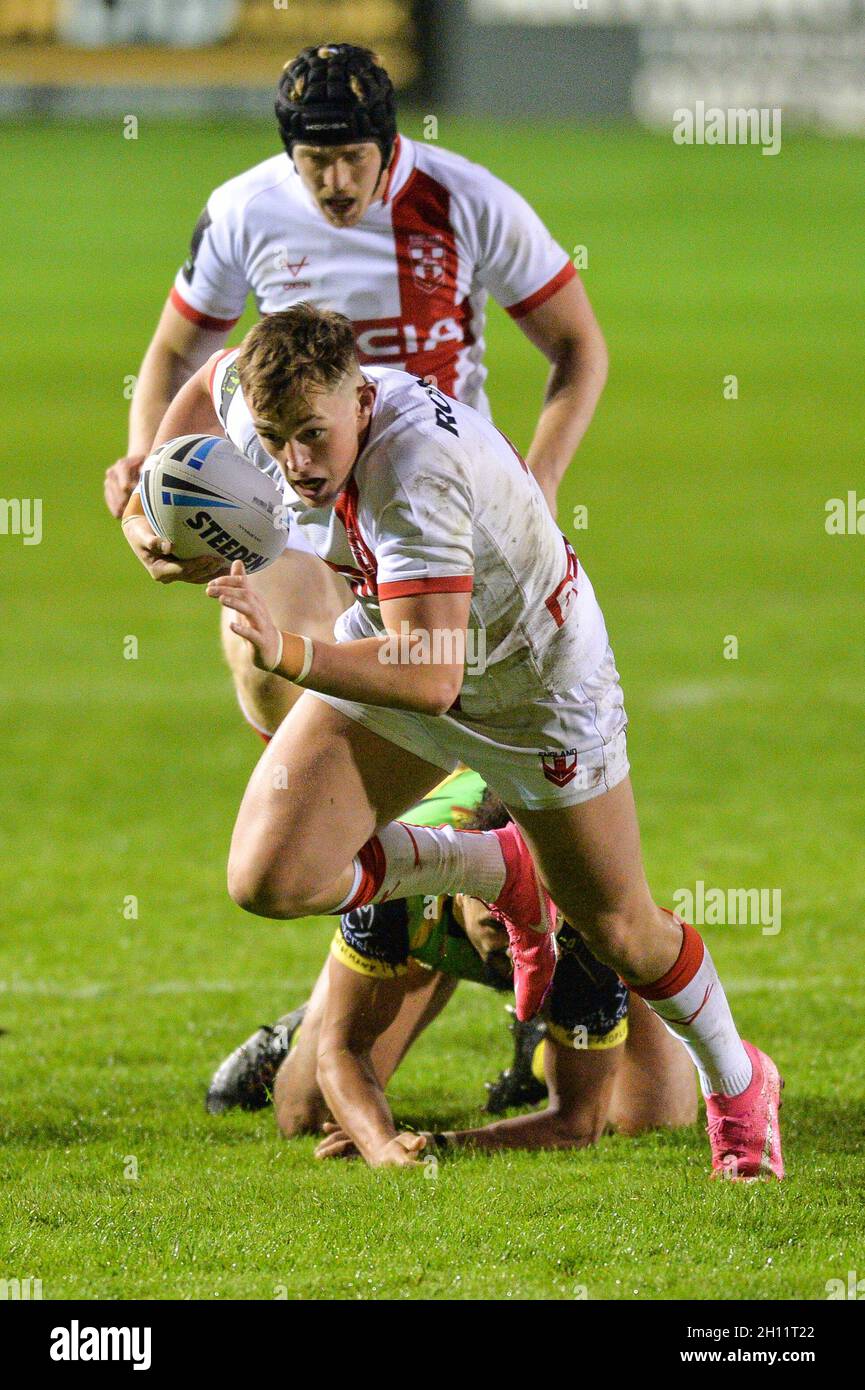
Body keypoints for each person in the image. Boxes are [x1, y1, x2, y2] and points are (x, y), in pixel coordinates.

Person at [124, 302, 784, 1179]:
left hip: (532, 683)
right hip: (408, 633)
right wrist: (154, 504)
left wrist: (285, 649)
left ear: (361, 398)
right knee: (271, 877)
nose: (295, 464)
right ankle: (490, 866)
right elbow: (209, 384)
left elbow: (430, 679)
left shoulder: (415, 473)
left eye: (314, 436)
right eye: (278, 438)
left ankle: (740, 1087)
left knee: (621, 930)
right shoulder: (269, 406)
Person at [109, 41, 608, 748]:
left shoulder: (467, 199)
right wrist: (146, 468)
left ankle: (399, 843)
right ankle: (331, 837)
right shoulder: (244, 210)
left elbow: (578, 344)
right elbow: (178, 352)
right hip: (294, 496)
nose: (336, 180)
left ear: (389, 142)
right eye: (315, 161)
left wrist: (543, 475)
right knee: (266, 659)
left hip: (430, 500)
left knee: (442, 708)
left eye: (353, 157)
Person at [206, 772, 697, 1165]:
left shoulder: (590, 920)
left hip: (571, 944)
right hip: (421, 940)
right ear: (460, 886)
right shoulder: (397, 879)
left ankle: (551, 1041)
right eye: (499, 926)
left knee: (656, 1118)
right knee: (306, 1112)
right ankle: (320, 1009)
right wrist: (382, 1145)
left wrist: (439, 1143)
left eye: (532, 926)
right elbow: (343, 1050)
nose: (515, 941)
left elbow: (576, 1126)